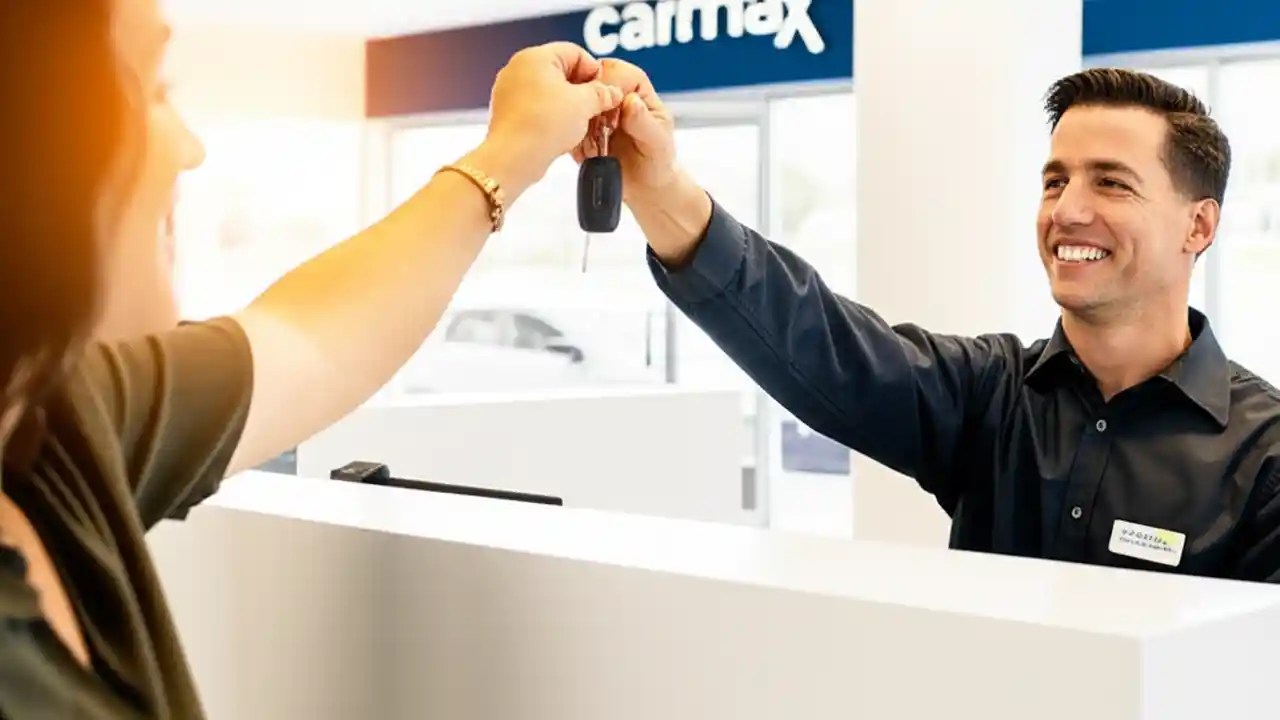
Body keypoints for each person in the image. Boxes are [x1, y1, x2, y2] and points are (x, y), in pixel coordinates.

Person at [0, 0, 625, 715]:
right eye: (153, 87)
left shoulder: (57, 427)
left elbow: (314, 339)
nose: (189, 147)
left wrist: (511, 151)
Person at [594, 59, 1280, 582]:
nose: (1066, 210)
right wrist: (659, 189)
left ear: (1198, 225)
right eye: (1054, 180)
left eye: (1111, 182)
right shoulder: (990, 395)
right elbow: (818, 338)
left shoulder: (1265, 457)